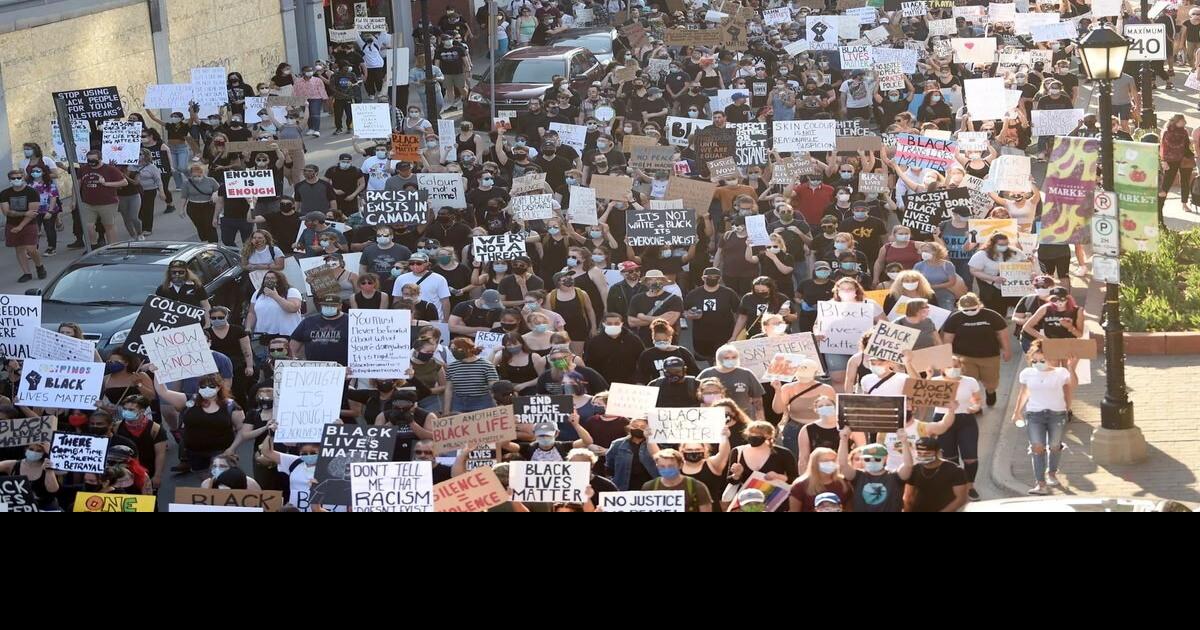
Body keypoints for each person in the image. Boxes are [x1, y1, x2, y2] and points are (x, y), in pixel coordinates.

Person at [1012, 344, 1076, 496]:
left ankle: (1052, 473)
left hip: (1057, 414)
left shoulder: (1061, 372)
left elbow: (1072, 385)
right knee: (1037, 447)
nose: (1038, 364)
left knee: (1054, 446)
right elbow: (1024, 393)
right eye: (1035, 361)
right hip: (1034, 415)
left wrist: (1071, 367)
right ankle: (1040, 484)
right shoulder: (1027, 373)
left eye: (1042, 360)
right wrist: (1017, 412)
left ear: (1051, 359)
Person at [940, 292, 1011, 408]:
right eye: (966, 310)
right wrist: (946, 357)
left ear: (979, 305)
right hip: (964, 357)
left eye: (972, 309)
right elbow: (948, 338)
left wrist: (1007, 350)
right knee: (970, 383)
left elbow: (1002, 334)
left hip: (990, 355)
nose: (969, 312)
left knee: (991, 382)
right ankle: (975, 405)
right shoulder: (955, 318)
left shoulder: (992, 316)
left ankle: (990, 392)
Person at [725, 421, 799, 508]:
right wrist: (736, 475)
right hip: (747, 503)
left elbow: (795, 479)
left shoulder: (784, 454)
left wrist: (778, 477)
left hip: (773, 501)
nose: (753, 437)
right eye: (750, 434)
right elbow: (730, 480)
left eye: (757, 435)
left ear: (769, 436)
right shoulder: (737, 452)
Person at [839, 432, 910, 514]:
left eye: (877, 459)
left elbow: (908, 465)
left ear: (885, 459)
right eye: (867, 459)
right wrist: (843, 440)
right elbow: (843, 464)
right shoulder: (858, 477)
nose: (872, 462)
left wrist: (904, 442)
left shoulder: (895, 477)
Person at [698, 345, 765, 422]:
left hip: (743, 418)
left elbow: (757, 398)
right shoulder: (707, 373)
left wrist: (761, 419)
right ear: (719, 359)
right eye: (726, 358)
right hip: (714, 418)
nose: (730, 360)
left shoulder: (746, 374)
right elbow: (695, 395)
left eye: (734, 357)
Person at [1, 171, 46, 282]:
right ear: (9, 180)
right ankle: (27, 273)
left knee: (31, 249)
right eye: (13, 178)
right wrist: (24, 213)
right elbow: (6, 212)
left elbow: (33, 213)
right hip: (12, 224)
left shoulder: (32, 192)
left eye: (19, 177)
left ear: (23, 178)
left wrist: (21, 226)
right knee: (19, 249)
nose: (16, 180)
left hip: (29, 224)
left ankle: (39, 266)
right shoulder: (5, 193)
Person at [905, 437, 969, 512]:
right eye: (919, 453)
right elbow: (908, 496)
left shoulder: (955, 470)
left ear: (938, 452)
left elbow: (961, 499)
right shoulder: (914, 469)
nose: (923, 456)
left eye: (927, 453)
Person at [76, 149, 124, 249]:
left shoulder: (110, 169)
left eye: (93, 160)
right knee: (88, 226)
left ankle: (113, 247)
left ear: (100, 159)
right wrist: (74, 200)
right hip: (88, 203)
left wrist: (106, 184)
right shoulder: (83, 169)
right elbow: (77, 184)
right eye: (89, 160)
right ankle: (93, 246)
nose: (91, 162)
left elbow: (123, 182)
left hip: (107, 203)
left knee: (108, 226)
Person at [968, 232, 1026, 315]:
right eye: (1001, 244)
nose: (1004, 246)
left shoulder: (1015, 252)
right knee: (996, 313)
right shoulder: (982, 255)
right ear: (992, 244)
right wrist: (993, 278)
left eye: (1006, 244)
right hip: (992, 287)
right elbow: (974, 270)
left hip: (1013, 288)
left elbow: (1025, 263)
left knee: (1021, 310)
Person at [582, 313, 645, 388]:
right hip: (604, 385)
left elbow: (643, 361)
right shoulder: (594, 342)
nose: (613, 326)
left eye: (616, 323)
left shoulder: (633, 340)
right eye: (609, 323)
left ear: (622, 324)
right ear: (603, 324)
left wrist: (639, 380)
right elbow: (589, 365)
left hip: (629, 384)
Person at [643, 449, 713, 512]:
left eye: (671, 466)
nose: (666, 469)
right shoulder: (649, 487)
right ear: (657, 466)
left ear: (680, 465)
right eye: (662, 466)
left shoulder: (697, 487)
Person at [788, 447, 852, 512]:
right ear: (815, 463)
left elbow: (849, 508)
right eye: (826, 461)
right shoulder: (800, 486)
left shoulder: (843, 483)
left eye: (833, 460)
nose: (830, 463)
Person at [444, 337, 500, 413]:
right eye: (452, 349)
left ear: (467, 349)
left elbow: (494, 387)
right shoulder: (452, 367)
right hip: (459, 403)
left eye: (456, 349)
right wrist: (446, 411)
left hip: (482, 403)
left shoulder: (486, 365)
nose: (454, 351)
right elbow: (449, 389)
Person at [289, 294, 350, 364]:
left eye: (332, 306)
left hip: (343, 368)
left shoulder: (350, 320)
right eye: (325, 305)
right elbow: (293, 347)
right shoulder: (308, 321)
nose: (328, 308)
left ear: (340, 306)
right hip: (315, 369)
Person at [0, 442, 60, 511]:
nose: (34, 452)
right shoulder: (12, 465)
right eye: (31, 449)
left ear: (44, 453)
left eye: (39, 451)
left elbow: (53, 489)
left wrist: (49, 469)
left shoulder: (47, 466)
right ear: (26, 449)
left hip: (43, 507)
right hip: (18, 506)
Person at [605, 418, 660, 491]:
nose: (638, 429)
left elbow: (659, 458)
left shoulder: (655, 444)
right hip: (624, 488)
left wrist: (649, 438)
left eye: (643, 427)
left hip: (650, 487)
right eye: (635, 426)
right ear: (629, 427)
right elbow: (609, 467)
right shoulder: (617, 444)